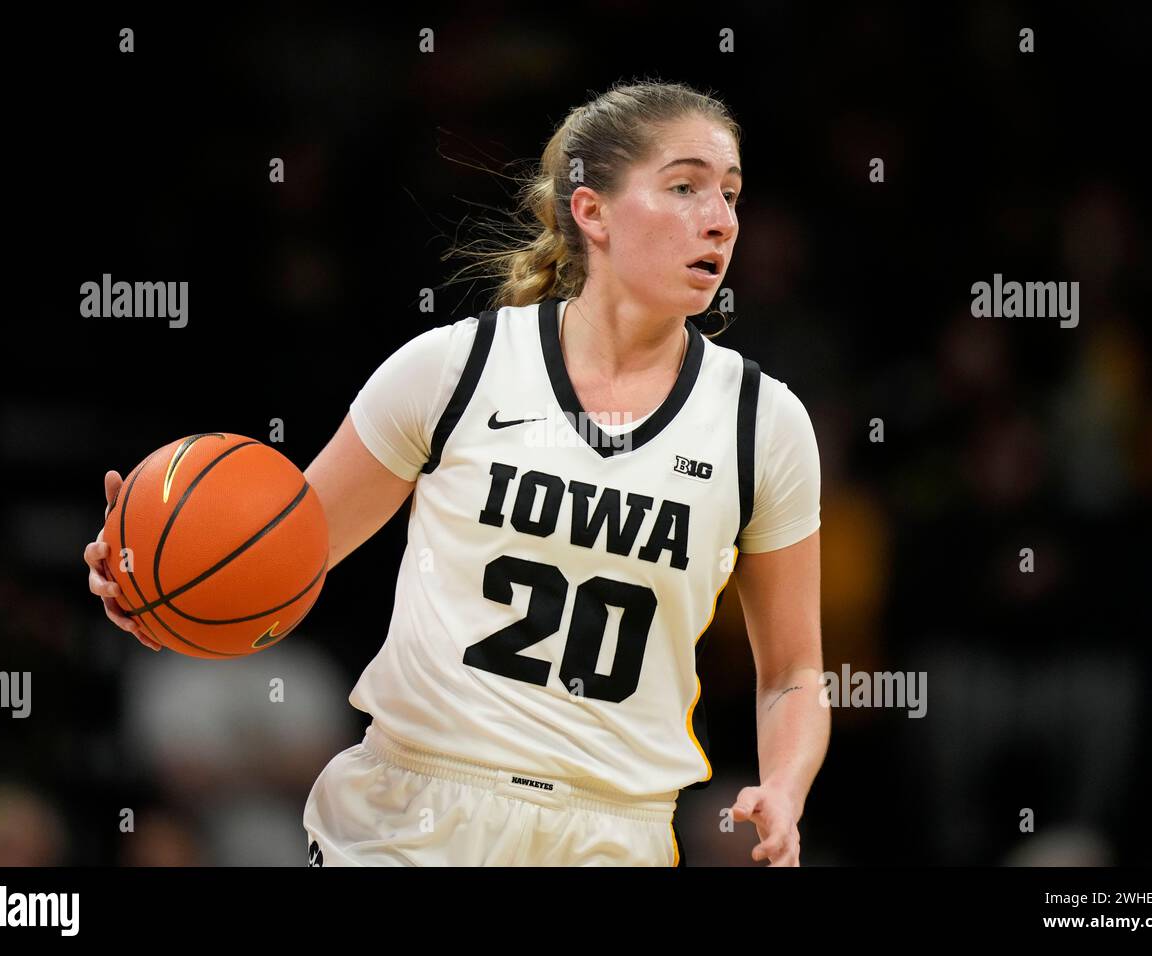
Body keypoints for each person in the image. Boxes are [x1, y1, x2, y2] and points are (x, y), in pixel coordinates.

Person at [85, 80, 829, 866]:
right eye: (684, 187)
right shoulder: (455, 369)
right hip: (411, 813)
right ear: (593, 211)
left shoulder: (763, 424)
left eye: (731, 194)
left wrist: (784, 785)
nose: (720, 219)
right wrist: (148, 575)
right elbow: (279, 557)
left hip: (613, 828)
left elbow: (791, 674)